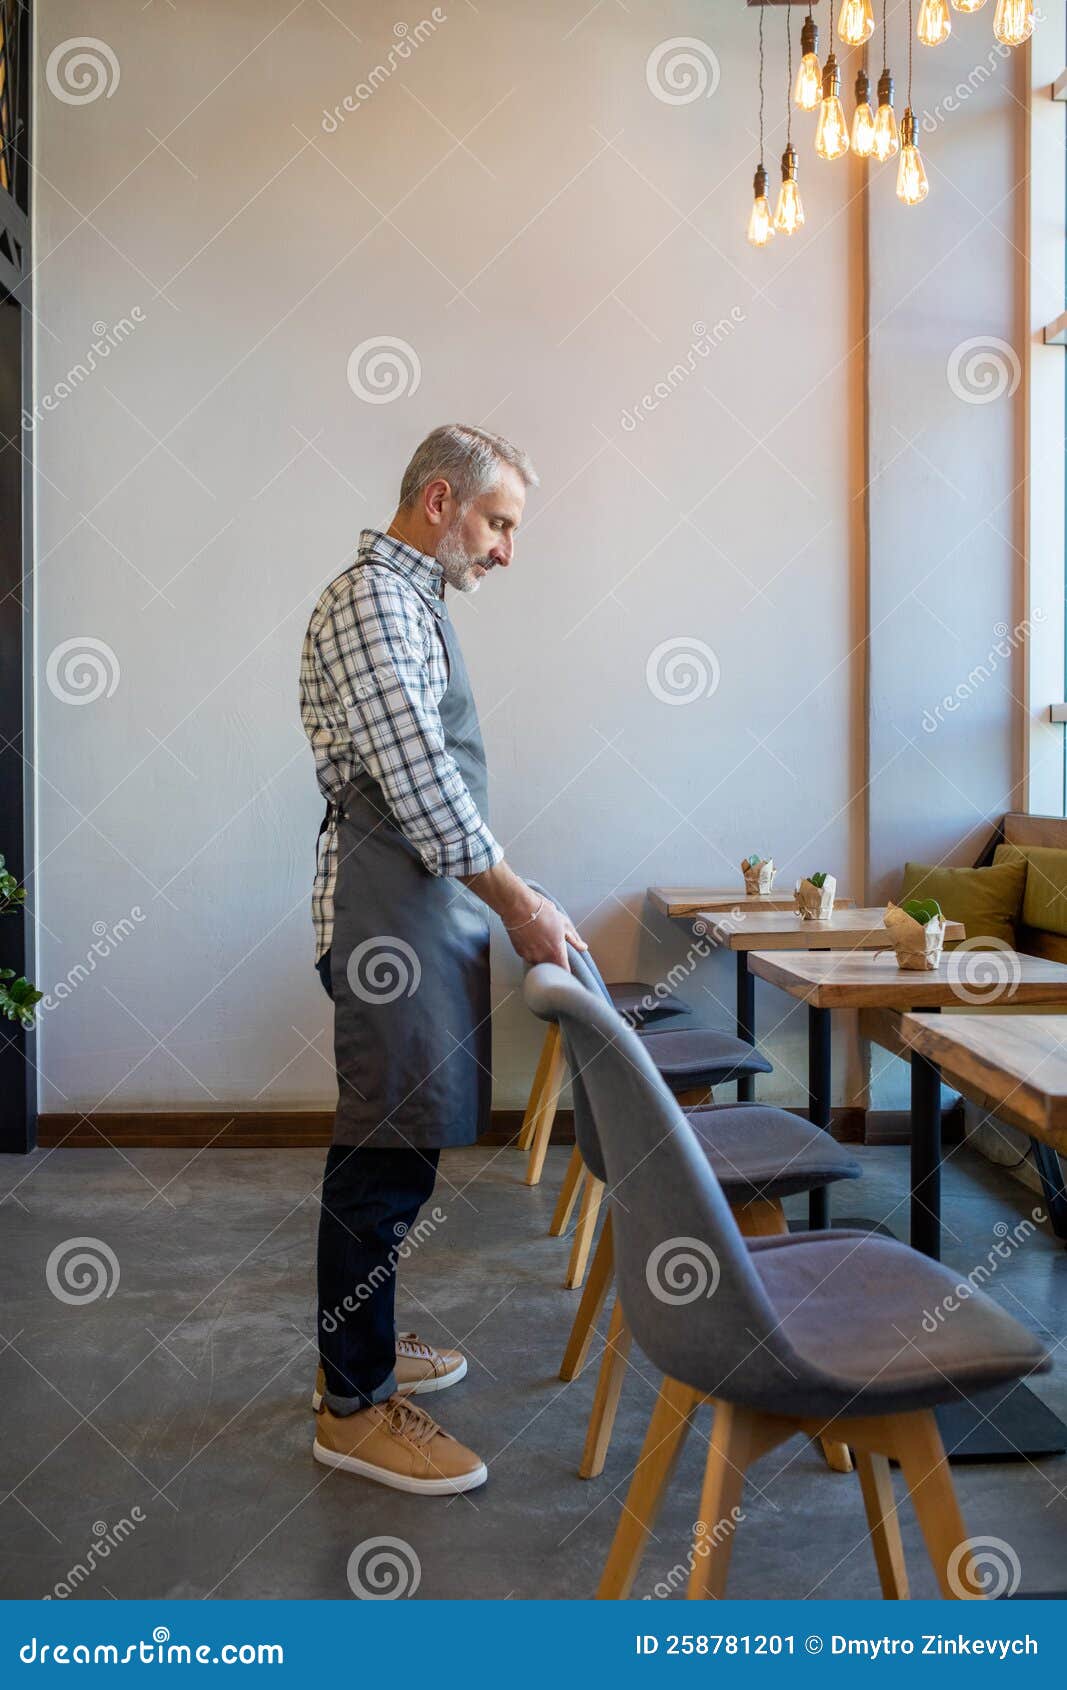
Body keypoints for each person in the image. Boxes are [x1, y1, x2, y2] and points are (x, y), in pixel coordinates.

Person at [299, 423, 585, 1494]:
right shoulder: (374, 601)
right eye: (497, 522)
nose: (506, 549)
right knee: (379, 1159)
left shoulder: (414, 603)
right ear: (436, 501)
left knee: (402, 1143)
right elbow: (422, 784)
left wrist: (512, 895)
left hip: (409, 909)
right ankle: (353, 1402)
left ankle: (358, 1338)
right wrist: (517, 904)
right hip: (382, 914)